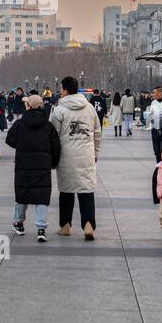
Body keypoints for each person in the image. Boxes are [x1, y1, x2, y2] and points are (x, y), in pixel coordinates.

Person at [51, 75, 102, 239]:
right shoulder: (89, 108)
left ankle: (65, 225)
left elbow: (53, 135)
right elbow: (97, 133)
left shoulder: (59, 110)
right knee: (86, 190)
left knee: (66, 190)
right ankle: (88, 225)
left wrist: (53, 157)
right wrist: (95, 153)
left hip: (66, 155)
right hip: (86, 154)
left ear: (65, 90)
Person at [6, 92, 62, 241]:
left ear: (28, 106)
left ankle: (19, 223)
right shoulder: (48, 126)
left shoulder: (20, 123)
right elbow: (56, 146)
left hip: (24, 164)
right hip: (42, 165)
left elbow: (10, 140)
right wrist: (53, 162)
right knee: (41, 197)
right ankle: (41, 229)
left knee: (22, 193)